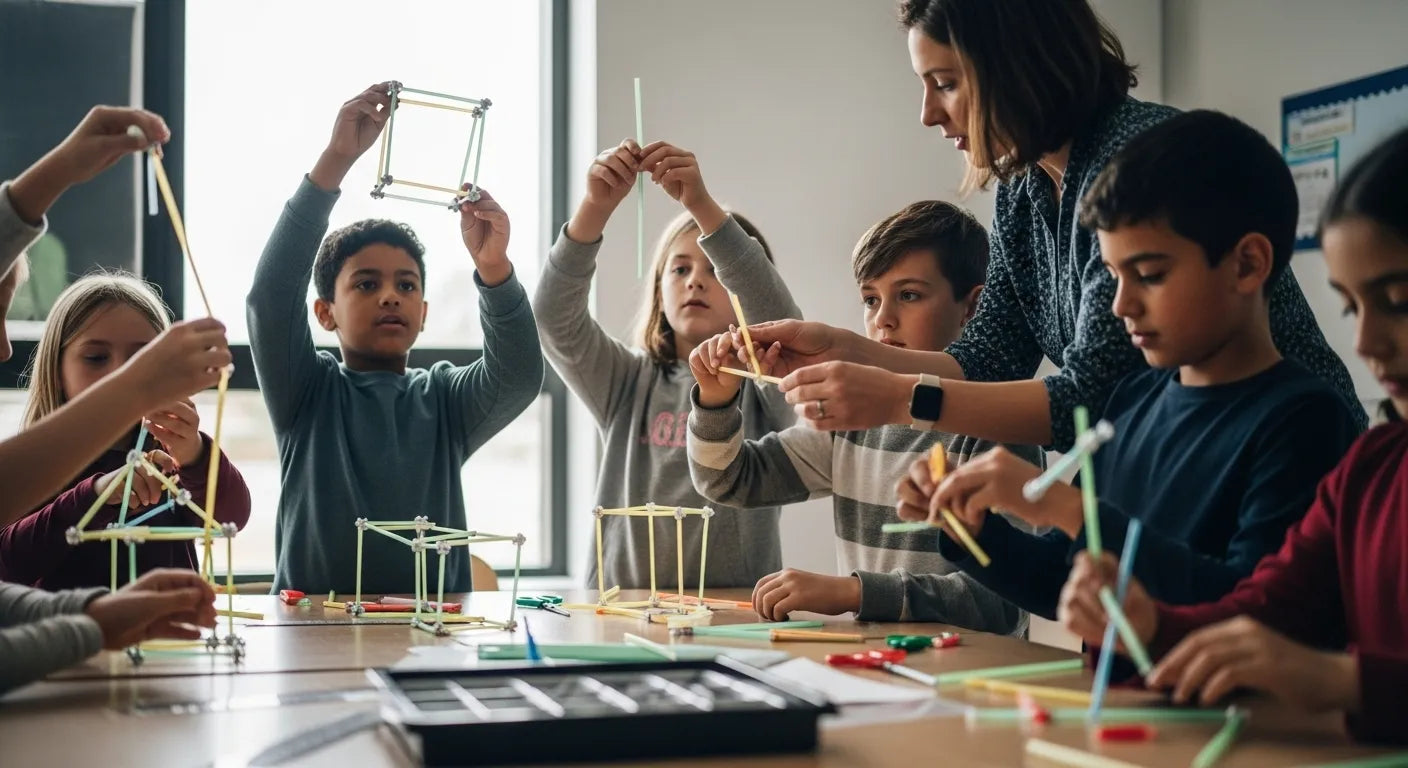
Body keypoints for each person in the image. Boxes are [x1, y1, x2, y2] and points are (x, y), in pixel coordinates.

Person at [741, 0, 1362, 451]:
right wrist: (843, 348)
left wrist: (900, 398)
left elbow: (1091, 402)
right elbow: (990, 356)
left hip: (1278, 468)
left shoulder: (1136, 164)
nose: (928, 113)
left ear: (1016, 65)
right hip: (1174, 477)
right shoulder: (1023, 187)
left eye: (946, 83)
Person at [1057, 127, 1408, 746]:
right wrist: (1151, 620)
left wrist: (1344, 681)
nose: (1364, 344)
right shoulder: (1375, 464)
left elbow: (1302, 651)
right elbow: (1265, 611)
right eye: (1352, 308)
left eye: (1399, 302)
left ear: (1248, 264)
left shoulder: (1306, 418)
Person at [246, 83, 543, 594]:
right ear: (325, 313)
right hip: (316, 641)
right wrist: (334, 164)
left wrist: (494, 268)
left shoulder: (444, 399)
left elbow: (517, 376)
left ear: (423, 313)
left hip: (433, 636)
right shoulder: (308, 391)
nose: (390, 297)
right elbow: (270, 298)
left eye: (406, 285)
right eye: (366, 284)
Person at [689, 200, 1034, 632]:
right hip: (877, 670)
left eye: (909, 295)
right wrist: (716, 400)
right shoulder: (854, 419)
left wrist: (854, 592)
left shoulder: (999, 425)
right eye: (871, 299)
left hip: (973, 683)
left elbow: (1005, 601)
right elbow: (728, 480)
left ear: (972, 307)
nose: (883, 319)